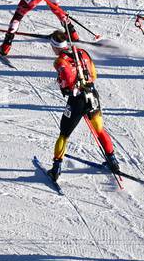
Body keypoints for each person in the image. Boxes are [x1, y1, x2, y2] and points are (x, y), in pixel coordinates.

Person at [47, 29, 120, 184]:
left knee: (64, 134)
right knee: (100, 130)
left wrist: (62, 84)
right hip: (92, 95)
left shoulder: (59, 61)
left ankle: (56, 169)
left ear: (55, 47)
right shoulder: (81, 52)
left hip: (77, 100)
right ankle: (113, 161)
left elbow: (66, 81)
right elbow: (93, 74)